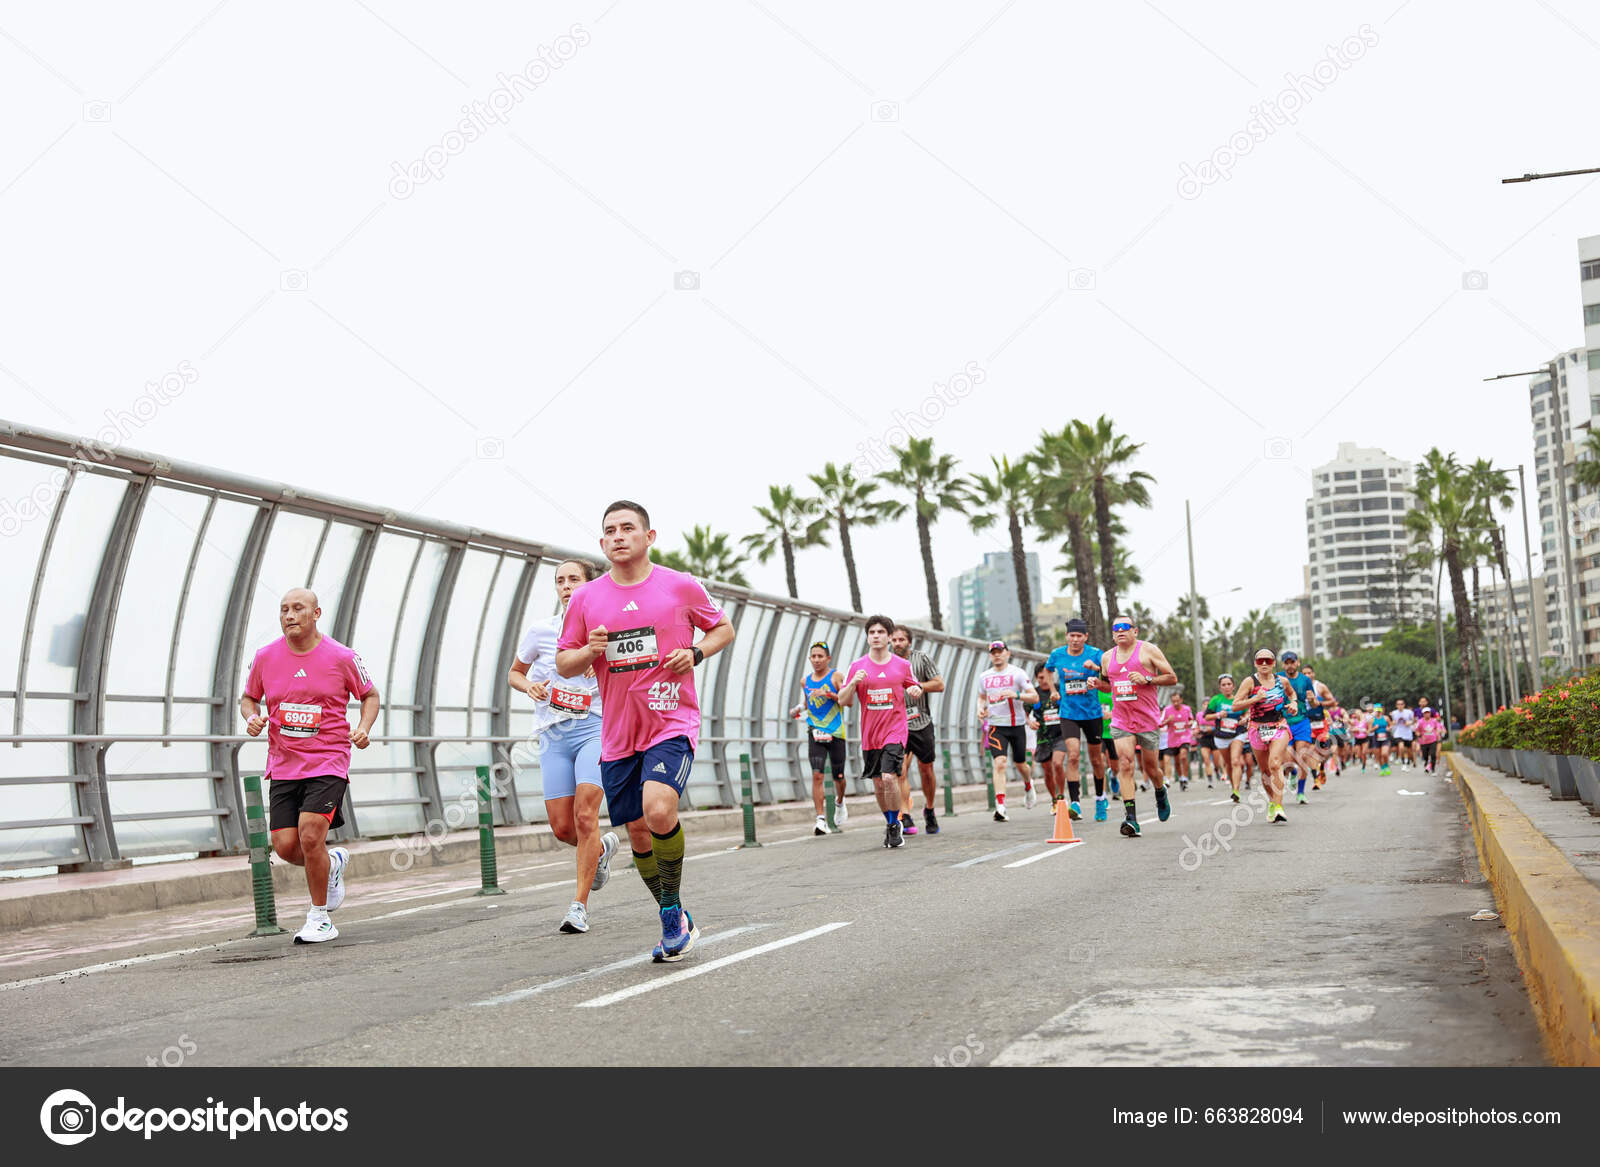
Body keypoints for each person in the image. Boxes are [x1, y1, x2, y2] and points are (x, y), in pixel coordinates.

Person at [556, 500, 735, 963]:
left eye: (628, 528)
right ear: (601, 543)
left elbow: (723, 628)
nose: (619, 536)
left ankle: (671, 917)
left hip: (671, 720)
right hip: (617, 734)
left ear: (649, 536)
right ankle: (674, 911)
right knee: (636, 831)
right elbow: (565, 662)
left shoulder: (679, 585)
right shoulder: (586, 598)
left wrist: (695, 654)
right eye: (610, 530)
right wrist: (588, 649)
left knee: (658, 810)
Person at [243, 587, 379, 944]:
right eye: (284, 609)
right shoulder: (265, 657)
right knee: (287, 846)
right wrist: (252, 717)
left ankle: (320, 918)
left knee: (310, 834)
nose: (289, 615)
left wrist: (363, 728)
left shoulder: (342, 657)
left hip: (328, 759)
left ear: (316, 614)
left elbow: (369, 695)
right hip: (284, 763)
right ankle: (331, 865)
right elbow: (248, 698)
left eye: (298, 608)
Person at [510, 558, 620, 934]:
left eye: (574, 579)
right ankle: (601, 851)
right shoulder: (541, 631)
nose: (567, 585)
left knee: (586, 816)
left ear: (590, 585)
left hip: (594, 729)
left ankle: (578, 906)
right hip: (553, 734)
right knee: (562, 827)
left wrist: (597, 657)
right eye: (560, 580)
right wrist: (531, 687)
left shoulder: (605, 631)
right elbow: (515, 673)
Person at [839, 615, 924, 848]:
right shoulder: (857, 667)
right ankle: (889, 822)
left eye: (880, 632)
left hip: (895, 730)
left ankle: (896, 823)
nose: (876, 636)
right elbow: (843, 700)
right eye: (872, 633)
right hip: (870, 734)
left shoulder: (902, 665)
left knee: (889, 777)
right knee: (878, 784)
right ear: (868, 637)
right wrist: (853, 683)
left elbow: (913, 685)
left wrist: (916, 690)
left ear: (888, 637)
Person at [1096, 615, 1178, 837]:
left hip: (1147, 719)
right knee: (1125, 763)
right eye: (1116, 628)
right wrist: (1096, 684)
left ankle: (1160, 792)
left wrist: (1147, 680)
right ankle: (1131, 818)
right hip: (1121, 720)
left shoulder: (1148, 650)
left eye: (1125, 627)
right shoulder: (1106, 658)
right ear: (1112, 634)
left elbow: (1172, 677)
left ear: (1135, 631)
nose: (1120, 631)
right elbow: (1107, 686)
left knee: (1151, 768)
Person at [1045, 618, 1110, 821]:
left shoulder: (1096, 654)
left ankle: (1100, 798)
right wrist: (1054, 690)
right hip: (1068, 713)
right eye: (1071, 636)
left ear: (1085, 637)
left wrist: (1097, 672)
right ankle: (1075, 803)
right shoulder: (1057, 655)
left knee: (1096, 759)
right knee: (1072, 756)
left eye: (1079, 636)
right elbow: (1047, 670)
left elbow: (1109, 682)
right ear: (1067, 637)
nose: (1075, 640)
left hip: (1092, 713)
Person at [790, 640, 848, 836]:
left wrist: (829, 694)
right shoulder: (805, 681)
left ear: (828, 658)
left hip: (836, 732)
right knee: (817, 775)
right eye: (813, 656)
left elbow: (846, 701)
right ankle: (820, 819)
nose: (816, 660)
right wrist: (797, 709)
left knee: (839, 776)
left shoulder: (836, 676)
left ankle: (840, 801)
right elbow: (807, 702)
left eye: (820, 656)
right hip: (815, 731)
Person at [892, 625, 945, 836]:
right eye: (894, 640)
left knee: (926, 768)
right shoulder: (886, 663)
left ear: (909, 642)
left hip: (921, 721)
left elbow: (939, 684)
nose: (897, 644)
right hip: (897, 724)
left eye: (901, 640)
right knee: (900, 770)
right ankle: (905, 815)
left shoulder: (921, 659)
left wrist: (920, 686)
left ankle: (929, 809)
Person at [976, 640, 1038, 821]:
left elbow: (1034, 697)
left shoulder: (1017, 673)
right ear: (990, 655)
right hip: (996, 726)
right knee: (1000, 763)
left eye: (1000, 651)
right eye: (993, 652)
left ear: (1007, 653)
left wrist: (1017, 695)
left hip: (1017, 725)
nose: (997, 655)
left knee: (1021, 764)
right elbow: (981, 697)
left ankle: (1028, 784)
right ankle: (1000, 806)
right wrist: (980, 708)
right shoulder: (984, 676)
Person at [1231, 647, 1295, 824]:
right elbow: (1235, 706)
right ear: (1255, 664)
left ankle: (1280, 806)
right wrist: (1255, 699)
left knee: (1275, 763)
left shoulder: (1282, 681)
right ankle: (1273, 803)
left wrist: (1294, 703)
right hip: (1257, 729)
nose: (1265, 663)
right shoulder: (1249, 682)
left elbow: (1291, 694)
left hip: (1279, 725)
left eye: (1268, 660)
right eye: (1261, 661)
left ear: (1274, 663)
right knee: (1266, 771)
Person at [1027, 664, 1067, 811]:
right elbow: (1024, 711)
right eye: (1041, 678)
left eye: (1047, 677)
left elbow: (1071, 706)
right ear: (1037, 678)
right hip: (1043, 737)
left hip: (1061, 734)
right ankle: (1054, 799)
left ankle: (1062, 796)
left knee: (1057, 764)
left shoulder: (1060, 690)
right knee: (1048, 770)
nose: (1044, 680)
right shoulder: (1034, 694)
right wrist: (1030, 722)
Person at [1205, 674, 1245, 803]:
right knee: (1228, 764)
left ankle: (1236, 790)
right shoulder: (1216, 700)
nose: (1227, 687)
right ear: (1220, 687)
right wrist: (1218, 715)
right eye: (1223, 685)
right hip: (1221, 736)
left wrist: (1245, 718)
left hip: (1237, 733)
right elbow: (1206, 717)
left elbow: (1248, 712)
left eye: (1229, 684)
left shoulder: (1240, 699)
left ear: (1233, 686)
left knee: (1235, 761)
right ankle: (1234, 787)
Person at [1158, 686, 1197, 791]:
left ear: (1181, 700)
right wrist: (1167, 720)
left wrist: (1190, 722)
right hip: (1172, 739)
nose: (1175, 703)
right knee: (1176, 762)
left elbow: (1191, 720)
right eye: (1173, 701)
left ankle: (1185, 777)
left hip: (1184, 737)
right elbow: (1159, 724)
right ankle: (1181, 779)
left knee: (1183, 756)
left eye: (1177, 701)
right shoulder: (1167, 710)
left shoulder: (1187, 709)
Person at [1392, 698, 1416, 771]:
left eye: (1401, 704)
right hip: (1398, 733)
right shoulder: (1394, 713)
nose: (1400, 706)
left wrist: (1410, 723)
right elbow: (1393, 722)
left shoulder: (1409, 712)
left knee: (1409, 752)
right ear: (1396, 705)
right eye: (1398, 704)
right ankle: (1403, 762)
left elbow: (1414, 720)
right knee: (1401, 747)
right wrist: (1394, 723)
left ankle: (1410, 760)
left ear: (1404, 705)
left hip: (1408, 734)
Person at [1370, 704, 1392, 776]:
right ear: (1374, 711)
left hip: (1385, 737)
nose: (1378, 712)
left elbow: (1390, 725)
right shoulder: (1372, 720)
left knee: (1384, 753)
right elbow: (1369, 730)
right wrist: (1374, 728)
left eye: (1379, 710)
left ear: (1381, 710)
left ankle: (1386, 766)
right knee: (1378, 755)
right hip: (1376, 738)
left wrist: (1389, 728)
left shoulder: (1386, 718)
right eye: (1377, 711)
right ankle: (1382, 768)